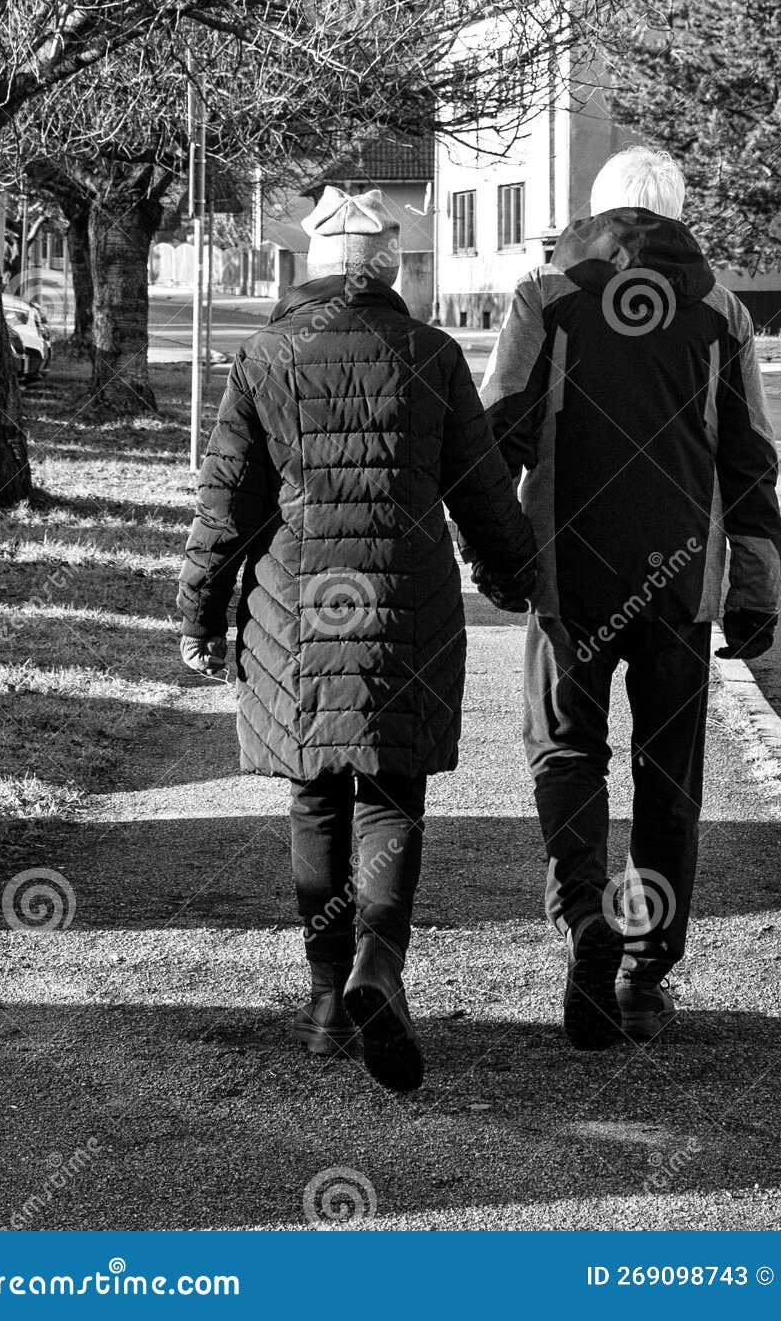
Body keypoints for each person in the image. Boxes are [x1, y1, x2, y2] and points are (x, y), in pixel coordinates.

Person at [177, 187, 535, 1093]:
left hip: (294, 610)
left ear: (304, 266)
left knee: (314, 798)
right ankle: (382, 966)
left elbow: (227, 506)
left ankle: (327, 1001)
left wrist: (198, 614)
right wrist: (515, 577)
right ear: (388, 270)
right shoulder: (431, 353)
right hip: (401, 599)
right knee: (390, 792)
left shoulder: (264, 357)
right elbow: (483, 490)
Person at [480, 146, 781, 1050]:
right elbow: (749, 457)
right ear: (678, 215)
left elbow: (499, 430)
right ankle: (646, 974)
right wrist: (754, 592)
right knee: (668, 778)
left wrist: (496, 558)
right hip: (680, 585)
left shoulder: (547, 296)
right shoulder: (721, 312)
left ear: (595, 212)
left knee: (564, 754)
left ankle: (583, 926)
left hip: (567, 578)